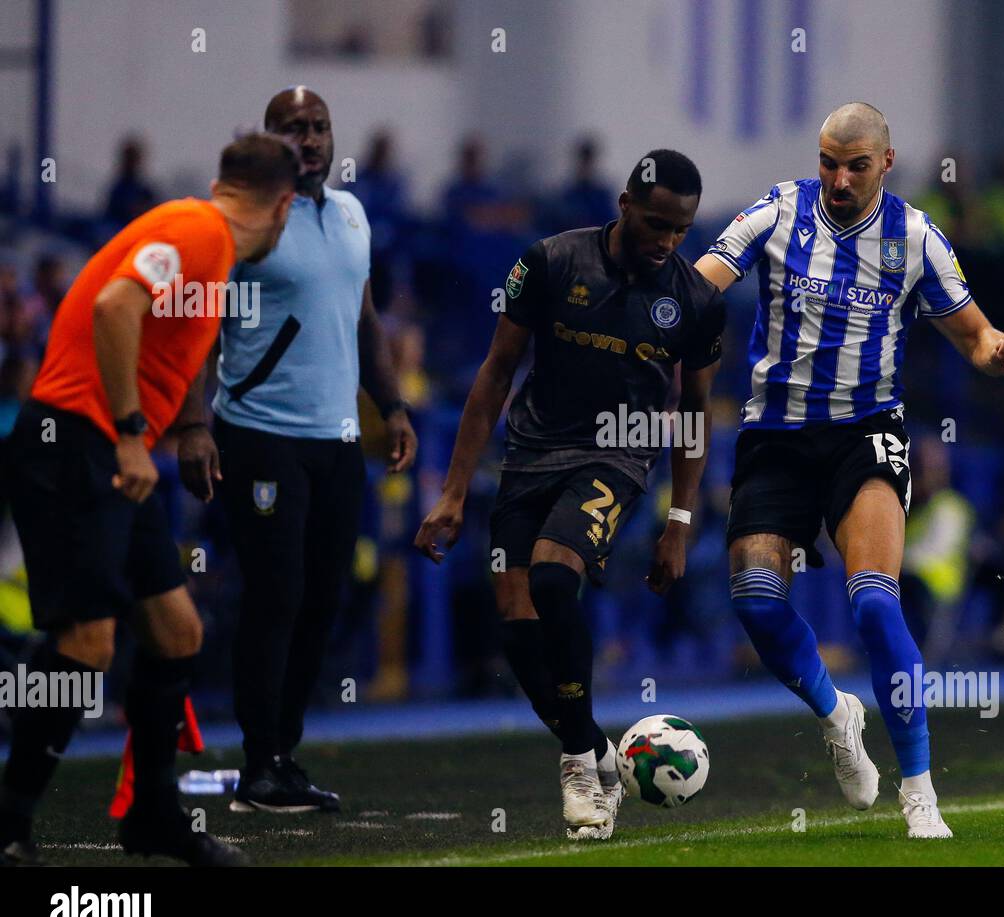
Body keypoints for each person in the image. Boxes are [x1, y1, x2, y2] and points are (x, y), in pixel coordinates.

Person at [693, 102, 1004, 838]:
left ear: (886, 162)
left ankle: (919, 791)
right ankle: (835, 710)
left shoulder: (915, 239)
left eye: (854, 165)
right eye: (827, 162)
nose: (838, 179)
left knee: (876, 603)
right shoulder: (778, 213)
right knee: (755, 601)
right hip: (776, 436)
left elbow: (974, 337)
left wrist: (1002, 350)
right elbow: (702, 282)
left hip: (865, 432)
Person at [0, 133, 299, 866]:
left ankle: (154, 818)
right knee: (87, 643)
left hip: (102, 450)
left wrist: (185, 427)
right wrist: (134, 432)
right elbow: (114, 308)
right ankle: (7, 818)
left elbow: (158, 335)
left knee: (176, 632)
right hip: (76, 443)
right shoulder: (196, 231)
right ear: (284, 207)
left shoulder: (208, 244)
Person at [414, 149, 725, 840]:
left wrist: (680, 518)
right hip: (530, 453)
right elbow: (496, 373)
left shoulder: (697, 303)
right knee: (517, 631)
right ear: (623, 204)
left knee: (556, 577)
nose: (665, 242)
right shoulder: (550, 262)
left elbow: (696, 414)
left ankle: (578, 767)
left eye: (679, 230)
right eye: (654, 224)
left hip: (619, 453)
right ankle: (600, 753)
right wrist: (454, 491)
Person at [175, 87, 416, 813]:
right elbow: (197, 325)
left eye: (319, 128)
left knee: (322, 600)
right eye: (293, 130)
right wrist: (192, 426)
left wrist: (394, 405)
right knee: (276, 595)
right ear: (271, 142)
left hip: (337, 440)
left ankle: (283, 753)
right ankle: (256, 766)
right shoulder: (239, 222)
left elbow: (364, 320)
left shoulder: (351, 214)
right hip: (259, 435)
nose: (310, 140)